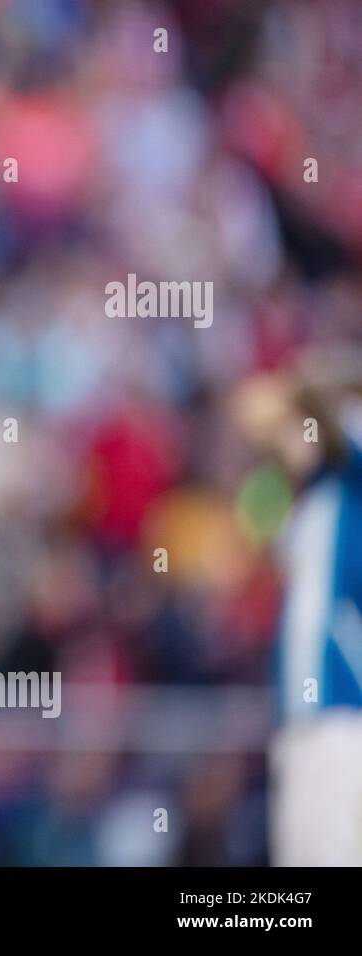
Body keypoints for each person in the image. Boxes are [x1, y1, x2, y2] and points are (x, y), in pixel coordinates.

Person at [230, 346, 362, 866]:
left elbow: (342, 429)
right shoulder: (314, 502)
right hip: (302, 721)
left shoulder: (352, 486)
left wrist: (315, 393)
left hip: (343, 715)